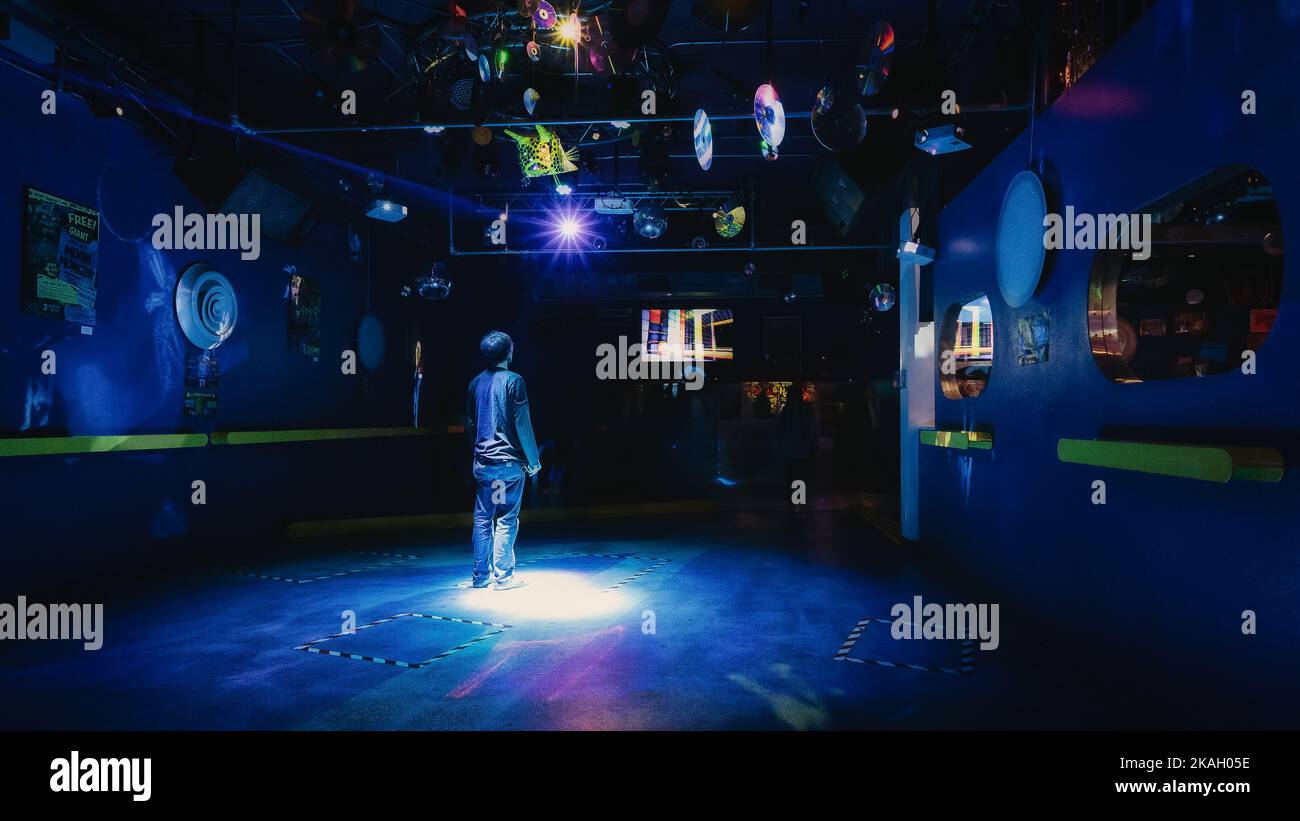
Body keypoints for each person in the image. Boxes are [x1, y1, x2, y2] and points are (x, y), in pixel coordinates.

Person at [466, 331, 541, 590]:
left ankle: (480, 576)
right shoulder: (514, 380)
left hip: (483, 466)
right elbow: (522, 422)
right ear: (509, 352)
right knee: (506, 518)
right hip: (507, 467)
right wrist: (533, 460)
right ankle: (503, 576)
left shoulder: (475, 383)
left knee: (483, 518)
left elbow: (471, 424)